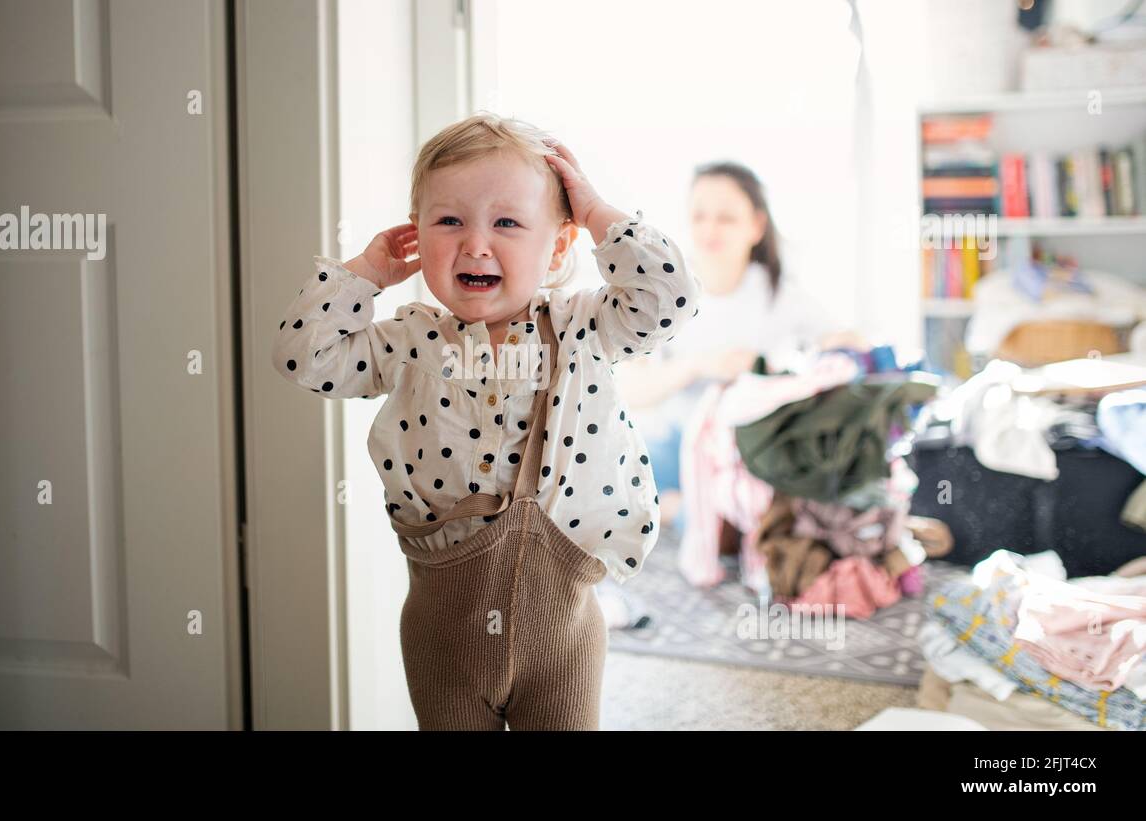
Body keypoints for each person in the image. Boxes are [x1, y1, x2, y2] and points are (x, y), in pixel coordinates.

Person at [272, 112, 700, 729]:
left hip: (563, 635)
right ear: (416, 236)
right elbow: (302, 356)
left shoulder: (583, 328)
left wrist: (597, 210)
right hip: (441, 634)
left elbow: (669, 298)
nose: (476, 244)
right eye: (449, 221)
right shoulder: (409, 342)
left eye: (507, 223)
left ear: (557, 246)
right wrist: (365, 273)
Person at [616, 161, 862, 534]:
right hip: (676, 447)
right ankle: (677, 510)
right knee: (609, 461)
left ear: (756, 226)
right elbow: (631, 393)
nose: (710, 229)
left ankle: (695, 513)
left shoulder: (779, 293)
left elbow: (846, 342)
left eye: (726, 218)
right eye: (699, 216)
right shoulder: (662, 293)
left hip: (747, 450)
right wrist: (699, 366)